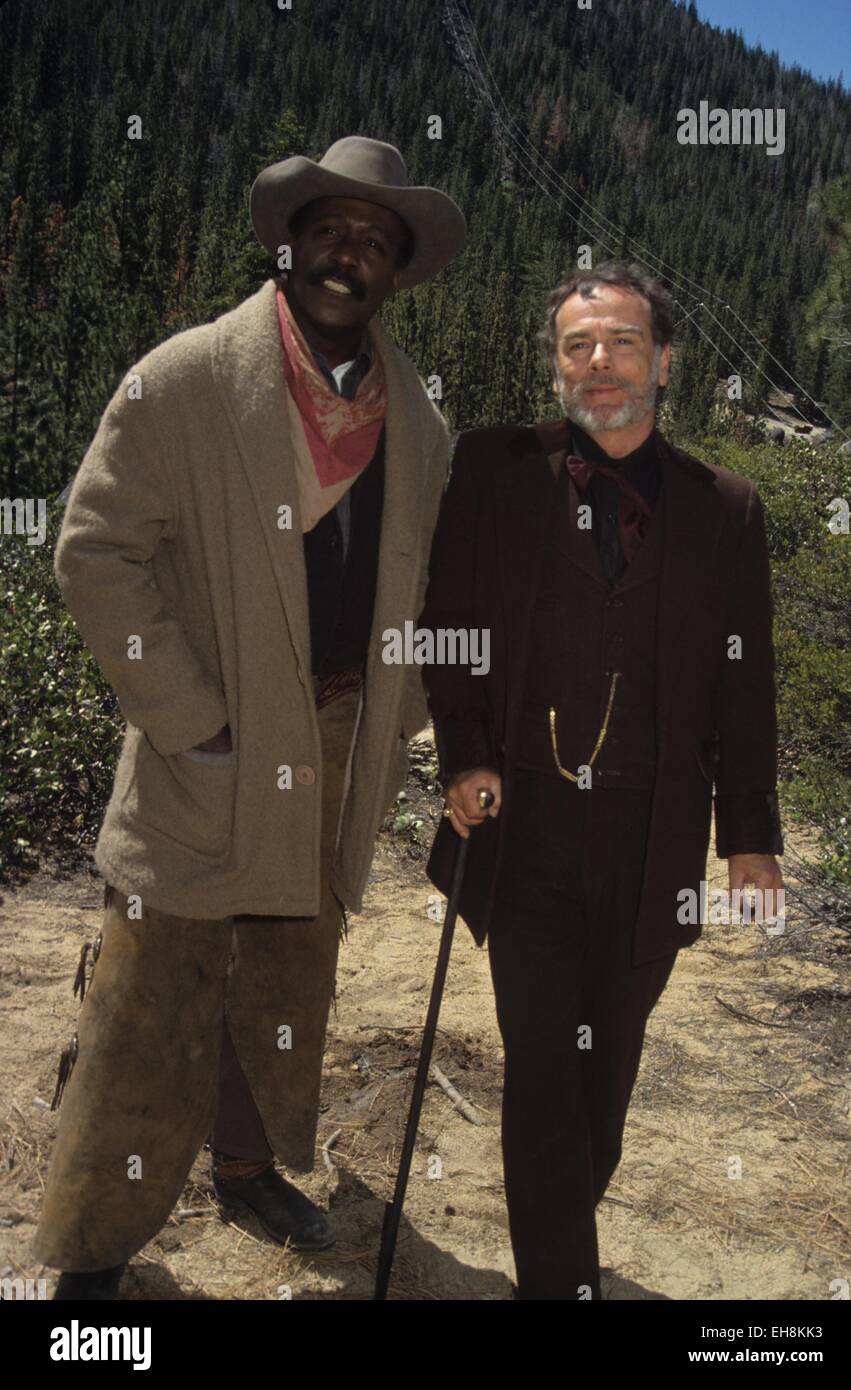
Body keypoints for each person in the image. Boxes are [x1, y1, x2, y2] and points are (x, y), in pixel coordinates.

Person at [34, 136, 466, 1300]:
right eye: (331, 230)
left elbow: (425, 592)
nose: (349, 255)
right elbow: (94, 550)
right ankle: (91, 1260)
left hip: (333, 746)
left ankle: (245, 1168)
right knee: (149, 994)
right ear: (291, 241)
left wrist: (409, 717)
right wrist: (188, 717)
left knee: (285, 979)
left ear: (394, 270)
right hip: (208, 744)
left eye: (374, 242)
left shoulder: (417, 419)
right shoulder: (183, 377)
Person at [420, 261, 784, 1301]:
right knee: (539, 1070)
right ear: (555, 369)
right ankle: (559, 1279)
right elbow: (448, 628)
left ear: (663, 362)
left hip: (653, 831)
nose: (600, 363)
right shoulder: (493, 471)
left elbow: (743, 683)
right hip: (521, 818)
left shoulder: (728, 509)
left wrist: (748, 832)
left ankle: (562, 1230)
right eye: (578, 346)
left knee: (604, 1071)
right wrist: (465, 754)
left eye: (623, 342)